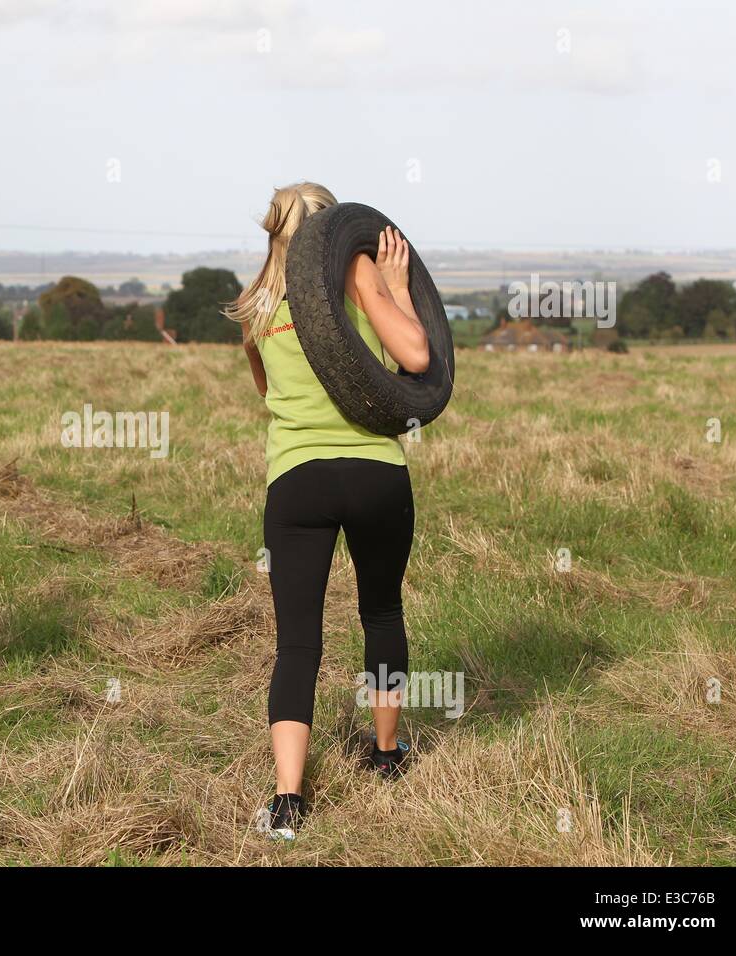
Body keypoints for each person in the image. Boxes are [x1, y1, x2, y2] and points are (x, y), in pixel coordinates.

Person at [225, 183, 431, 839]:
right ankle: (388, 756)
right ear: (336, 229)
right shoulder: (358, 272)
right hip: (376, 475)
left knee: (297, 643)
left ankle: (288, 801)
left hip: (297, 482)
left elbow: (269, 392)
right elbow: (417, 357)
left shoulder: (258, 303)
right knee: (381, 610)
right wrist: (393, 291)